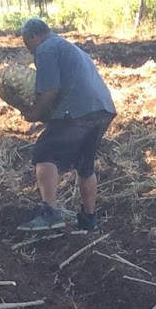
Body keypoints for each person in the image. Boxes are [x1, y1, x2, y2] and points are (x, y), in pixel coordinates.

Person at [15, 18, 116, 232]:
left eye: (27, 45)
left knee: (44, 152)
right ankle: (89, 220)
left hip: (78, 109)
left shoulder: (46, 48)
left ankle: (50, 213)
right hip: (103, 108)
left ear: (33, 36)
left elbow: (50, 90)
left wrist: (34, 113)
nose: (31, 53)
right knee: (85, 164)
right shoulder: (70, 48)